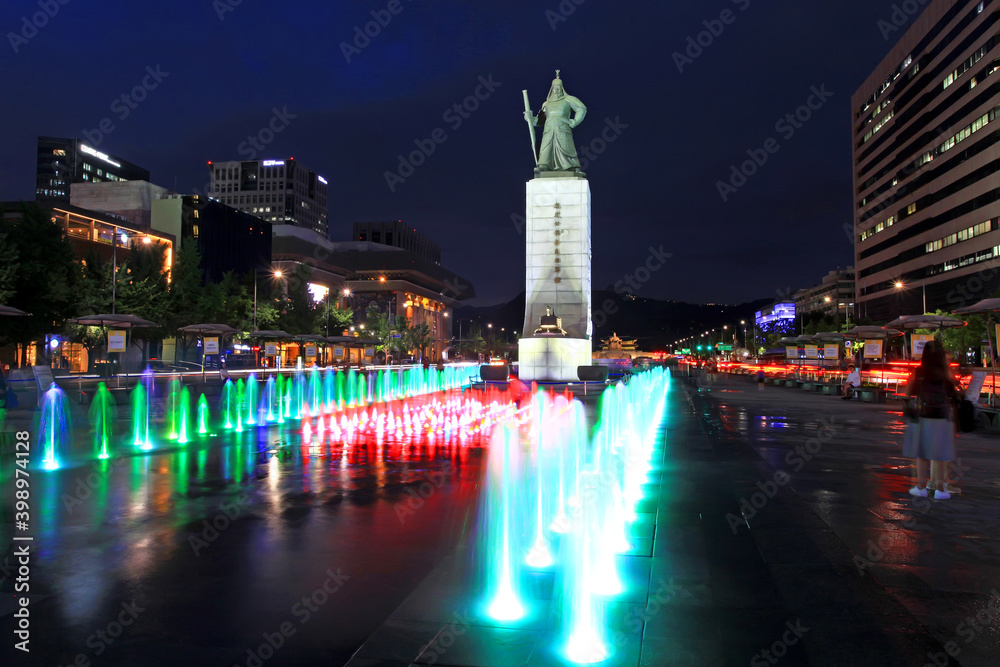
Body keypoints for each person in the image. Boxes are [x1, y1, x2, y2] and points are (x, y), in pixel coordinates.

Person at [904, 340, 959, 499]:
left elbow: (909, 392)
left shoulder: (919, 371)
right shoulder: (945, 372)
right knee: (939, 454)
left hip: (922, 414)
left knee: (921, 453)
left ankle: (921, 487)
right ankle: (940, 490)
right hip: (942, 415)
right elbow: (953, 393)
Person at [524, 71, 587, 173]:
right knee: (546, 148)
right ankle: (544, 165)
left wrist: (575, 121)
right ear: (551, 89)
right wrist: (530, 119)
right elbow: (540, 121)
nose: (556, 89)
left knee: (565, 148)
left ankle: (571, 166)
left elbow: (581, 108)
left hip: (562, 128)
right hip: (548, 129)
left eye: (558, 87)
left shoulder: (567, 100)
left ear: (562, 88)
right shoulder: (546, 104)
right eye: (555, 87)